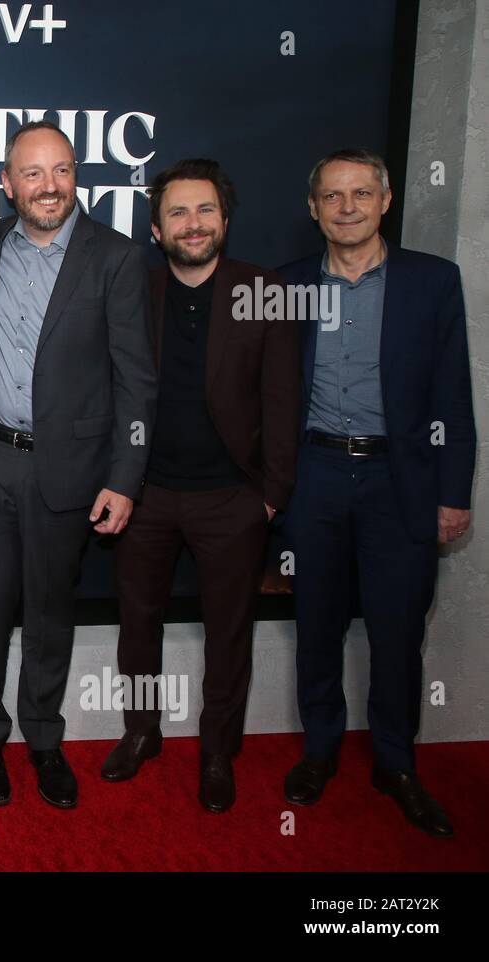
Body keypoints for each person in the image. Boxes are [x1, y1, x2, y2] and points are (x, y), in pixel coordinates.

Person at [281, 148, 475, 838]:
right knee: (318, 627)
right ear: (314, 208)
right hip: (316, 479)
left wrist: (453, 492)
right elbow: (269, 398)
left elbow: (453, 389)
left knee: (397, 633)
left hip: (402, 481)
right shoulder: (289, 287)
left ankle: (395, 763)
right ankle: (320, 750)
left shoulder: (432, 282)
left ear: (386, 200)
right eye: (333, 197)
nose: (348, 207)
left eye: (361, 193)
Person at [0, 120, 156, 808]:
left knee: (49, 611)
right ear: (9, 183)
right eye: (33, 174)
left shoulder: (117, 258)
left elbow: (137, 379)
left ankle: (43, 739)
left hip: (69, 471)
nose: (50, 187)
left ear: (77, 175)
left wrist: (124, 476)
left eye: (62, 170)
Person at [101, 159, 300, 812]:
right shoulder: (138, 288)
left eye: (205, 210)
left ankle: (218, 751)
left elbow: (283, 400)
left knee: (228, 634)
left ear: (224, 219)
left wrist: (268, 497)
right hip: (146, 494)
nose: (193, 224)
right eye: (179, 213)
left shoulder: (263, 290)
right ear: (156, 229)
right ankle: (141, 731)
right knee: (139, 627)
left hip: (231, 500)